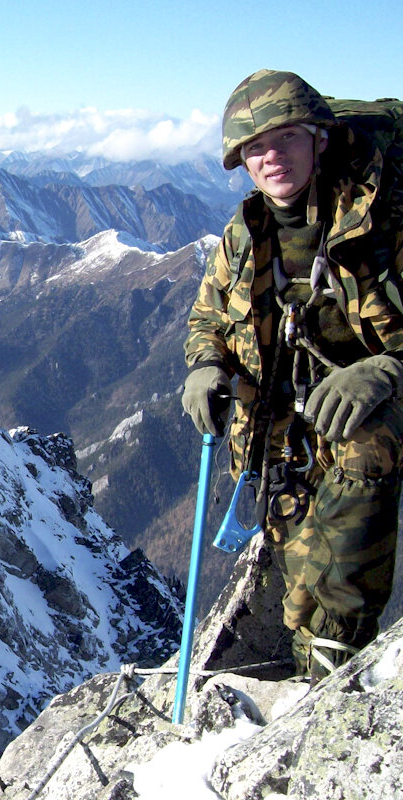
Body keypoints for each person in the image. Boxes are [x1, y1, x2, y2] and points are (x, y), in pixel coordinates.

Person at [182, 69, 403, 681]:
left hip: (378, 405)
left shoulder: (387, 211)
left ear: (320, 137)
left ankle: (337, 664)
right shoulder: (246, 234)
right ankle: (312, 659)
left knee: (366, 441)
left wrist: (387, 370)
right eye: (255, 148)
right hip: (288, 430)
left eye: (285, 139)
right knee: (301, 570)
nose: (270, 157)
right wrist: (204, 365)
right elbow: (208, 316)